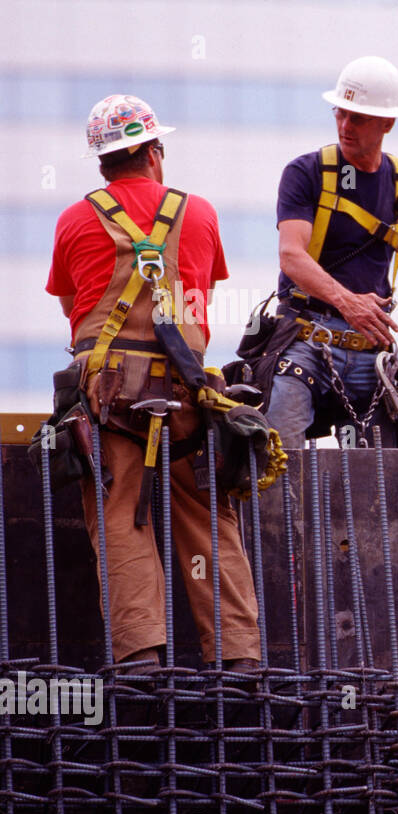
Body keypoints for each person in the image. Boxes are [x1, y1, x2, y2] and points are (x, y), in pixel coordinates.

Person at [46, 94, 261, 673]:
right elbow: (198, 303)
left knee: (121, 516)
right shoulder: (202, 213)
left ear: (102, 164)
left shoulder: (74, 220)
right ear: (154, 153)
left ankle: (142, 658)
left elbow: (76, 313)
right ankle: (239, 660)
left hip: (110, 397)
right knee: (207, 518)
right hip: (189, 394)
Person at [263, 55, 398, 449]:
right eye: (341, 113)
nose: (345, 126)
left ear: (388, 123)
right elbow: (292, 255)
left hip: (371, 347)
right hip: (306, 339)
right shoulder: (307, 173)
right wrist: (346, 301)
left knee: (379, 478)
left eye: (359, 118)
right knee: (281, 455)